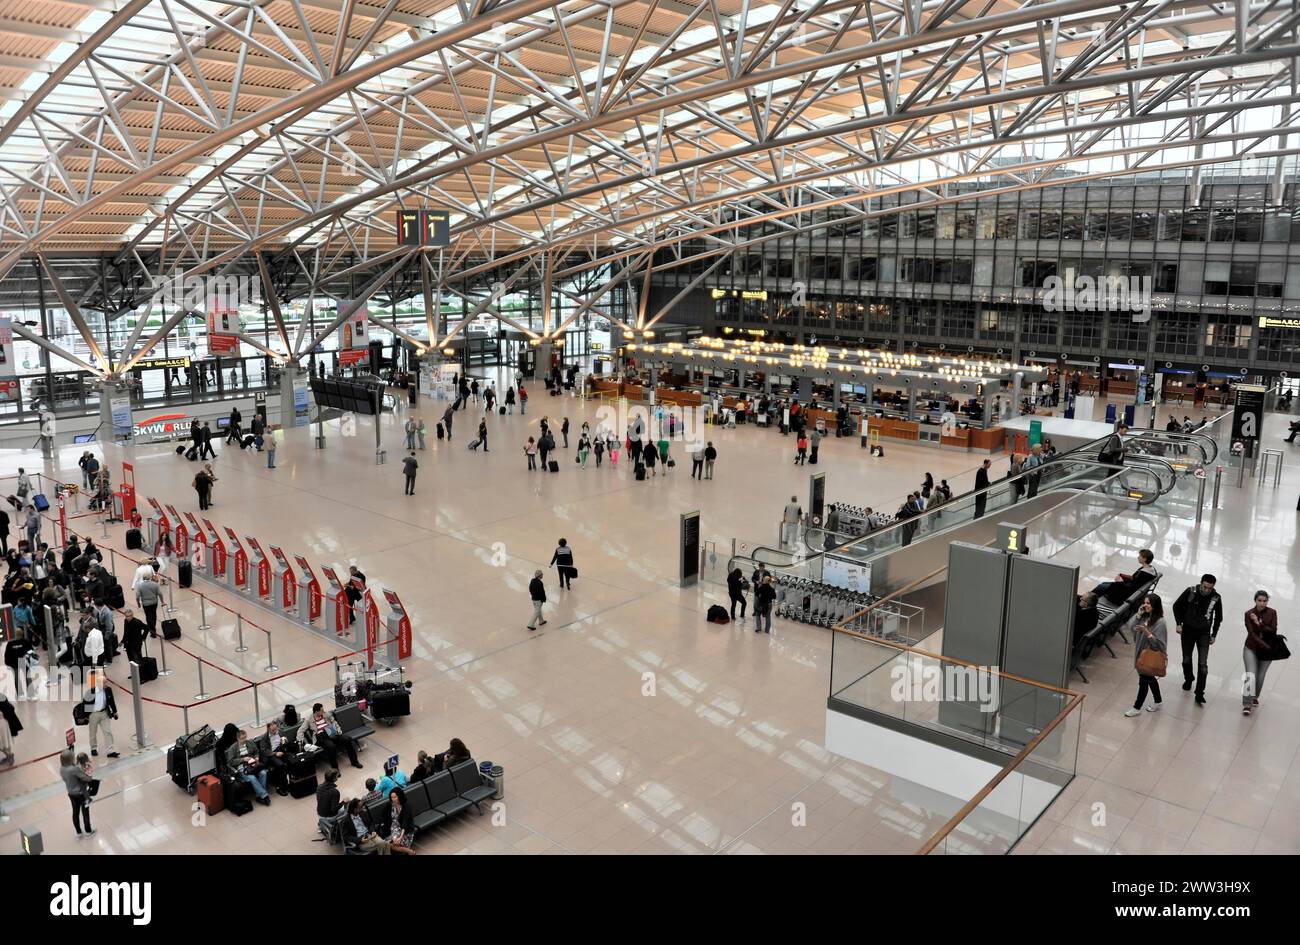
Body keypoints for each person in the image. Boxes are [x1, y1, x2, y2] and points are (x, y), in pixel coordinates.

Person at [1172, 574, 1223, 705]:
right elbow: (1176, 606)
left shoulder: (1216, 598)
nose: (1206, 590)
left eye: (1210, 588)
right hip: (1188, 631)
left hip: (1204, 633)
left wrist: (1214, 634)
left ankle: (1199, 693)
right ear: (1200, 583)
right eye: (1204, 587)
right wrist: (1178, 623)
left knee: (1203, 665)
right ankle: (1189, 679)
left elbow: (1218, 618)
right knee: (1186, 659)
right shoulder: (1191, 591)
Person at [1123, 594, 1168, 717]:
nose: (1145, 605)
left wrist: (1147, 633)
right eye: (1145, 603)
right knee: (1149, 678)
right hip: (1140, 653)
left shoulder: (1160, 622)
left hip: (1148, 656)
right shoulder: (1144, 617)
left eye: (1148, 603)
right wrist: (1138, 615)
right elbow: (1130, 628)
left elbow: (1160, 645)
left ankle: (1137, 707)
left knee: (1144, 681)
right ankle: (1158, 701)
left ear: (1155, 605)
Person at [1242, 590, 1280, 715]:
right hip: (1251, 648)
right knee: (1250, 675)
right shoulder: (1248, 614)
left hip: (1268, 650)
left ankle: (1254, 696)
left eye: (1265, 601)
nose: (1262, 603)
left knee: (1260, 676)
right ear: (1255, 600)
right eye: (1260, 600)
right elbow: (1252, 633)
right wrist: (1263, 643)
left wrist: (1259, 622)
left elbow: (1272, 631)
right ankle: (1247, 704)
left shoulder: (1272, 613)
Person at [302, 702, 364, 768]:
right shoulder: (309, 719)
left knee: (347, 739)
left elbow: (334, 722)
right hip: (322, 736)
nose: (323, 711)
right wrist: (302, 741)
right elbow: (301, 730)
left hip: (331, 732)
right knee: (331, 747)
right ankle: (335, 769)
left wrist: (339, 730)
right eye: (322, 710)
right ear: (316, 711)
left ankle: (354, 762)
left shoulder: (326, 714)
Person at [226, 728, 271, 805]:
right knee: (252, 778)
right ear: (237, 738)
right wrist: (243, 759)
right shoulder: (232, 748)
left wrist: (256, 757)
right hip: (241, 768)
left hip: (252, 764)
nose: (244, 740)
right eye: (242, 738)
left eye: (245, 737)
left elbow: (256, 751)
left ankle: (259, 795)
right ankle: (264, 796)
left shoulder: (249, 743)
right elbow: (230, 762)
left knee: (263, 773)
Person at [82, 670, 119, 758]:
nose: (106, 684)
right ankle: (93, 748)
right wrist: (86, 717)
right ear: (99, 683)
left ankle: (110, 751)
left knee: (108, 731)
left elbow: (111, 701)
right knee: (93, 732)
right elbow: (85, 705)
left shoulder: (108, 690)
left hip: (104, 713)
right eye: (104, 683)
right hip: (93, 714)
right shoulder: (90, 692)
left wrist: (115, 712)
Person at [60, 748, 96, 837]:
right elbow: (87, 778)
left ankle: (78, 832)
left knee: (75, 812)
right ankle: (88, 831)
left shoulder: (62, 768)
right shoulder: (74, 769)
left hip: (71, 793)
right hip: (81, 794)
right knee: (85, 812)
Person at [386, 787, 417, 854]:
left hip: (406, 830)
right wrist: (394, 836)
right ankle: (409, 851)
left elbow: (405, 822)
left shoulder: (406, 806)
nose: (393, 799)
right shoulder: (390, 805)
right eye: (392, 797)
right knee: (388, 843)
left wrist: (400, 837)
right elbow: (388, 819)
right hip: (394, 828)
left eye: (395, 797)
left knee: (397, 843)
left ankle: (405, 847)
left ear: (399, 796)